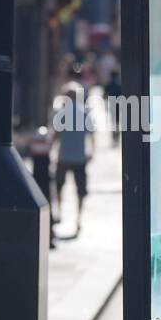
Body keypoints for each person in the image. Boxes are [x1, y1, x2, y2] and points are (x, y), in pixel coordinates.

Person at [52, 69, 93, 237]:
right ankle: (78, 219)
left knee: (59, 186)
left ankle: (60, 212)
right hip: (79, 157)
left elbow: (55, 135)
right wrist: (91, 151)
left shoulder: (61, 113)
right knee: (81, 190)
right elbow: (91, 134)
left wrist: (51, 151)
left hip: (63, 156)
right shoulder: (84, 113)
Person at [27, 125, 56, 249]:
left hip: (37, 177)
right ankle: (48, 235)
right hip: (45, 178)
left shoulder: (36, 151)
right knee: (48, 205)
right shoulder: (45, 152)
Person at [103, 69, 124, 147]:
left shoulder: (108, 85)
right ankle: (117, 136)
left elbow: (105, 96)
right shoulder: (120, 85)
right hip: (119, 105)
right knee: (118, 122)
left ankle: (114, 137)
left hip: (112, 105)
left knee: (114, 122)